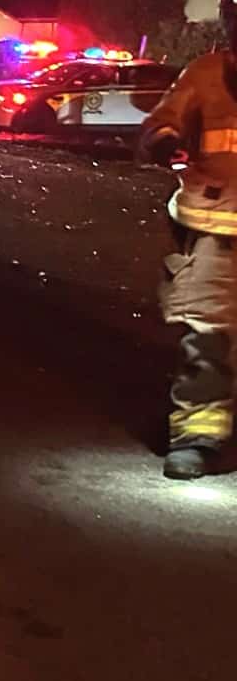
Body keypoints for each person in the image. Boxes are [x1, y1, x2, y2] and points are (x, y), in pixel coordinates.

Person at [139, 42, 237, 479]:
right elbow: (163, 121)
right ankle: (198, 436)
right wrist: (165, 140)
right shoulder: (207, 73)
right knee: (208, 336)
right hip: (216, 227)